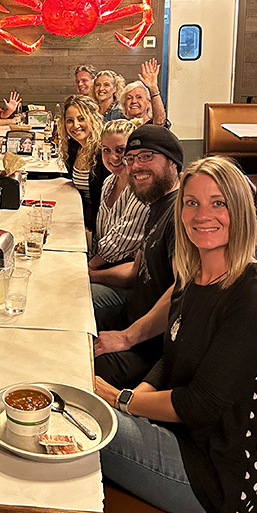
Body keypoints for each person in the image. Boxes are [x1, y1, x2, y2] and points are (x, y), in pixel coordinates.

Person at [47, 157, 257, 513]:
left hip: (218, 478)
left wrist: (122, 400)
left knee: (65, 426)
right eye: (192, 203)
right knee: (68, 404)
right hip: (182, 440)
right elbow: (172, 358)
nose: (203, 216)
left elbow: (200, 404)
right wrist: (136, 398)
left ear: (241, 210)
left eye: (219, 203)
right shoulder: (196, 275)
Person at [93, 124, 183, 388]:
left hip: (150, 349)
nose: (135, 166)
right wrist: (87, 274)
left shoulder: (180, 214)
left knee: (71, 366)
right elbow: (135, 272)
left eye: (146, 156)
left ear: (173, 163)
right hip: (130, 317)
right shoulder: (155, 205)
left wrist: (126, 337)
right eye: (131, 159)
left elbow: (182, 290)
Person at [88, 119, 149, 278]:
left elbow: (122, 240)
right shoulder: (109, 182)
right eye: (106, 150)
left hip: (126, 275)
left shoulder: (140, 187)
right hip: (102, 265)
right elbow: (101, 233)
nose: (113, 157)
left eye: (120, 150)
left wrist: (89, 266)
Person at [58, 95, 107, 230]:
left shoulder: (103, 151)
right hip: (81, 217)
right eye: (69, 120)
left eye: (81, 119)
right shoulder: (73, 148)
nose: (75, 125)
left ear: (93, 119)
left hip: (101, 225)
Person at [120, 60, 168, 127]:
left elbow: (160, 122)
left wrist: (154, 90)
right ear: (124, 105)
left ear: (148, 103)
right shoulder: (119, 128)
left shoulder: (152, 126)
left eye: (139, 97)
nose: (134, 101)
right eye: (129, 98)